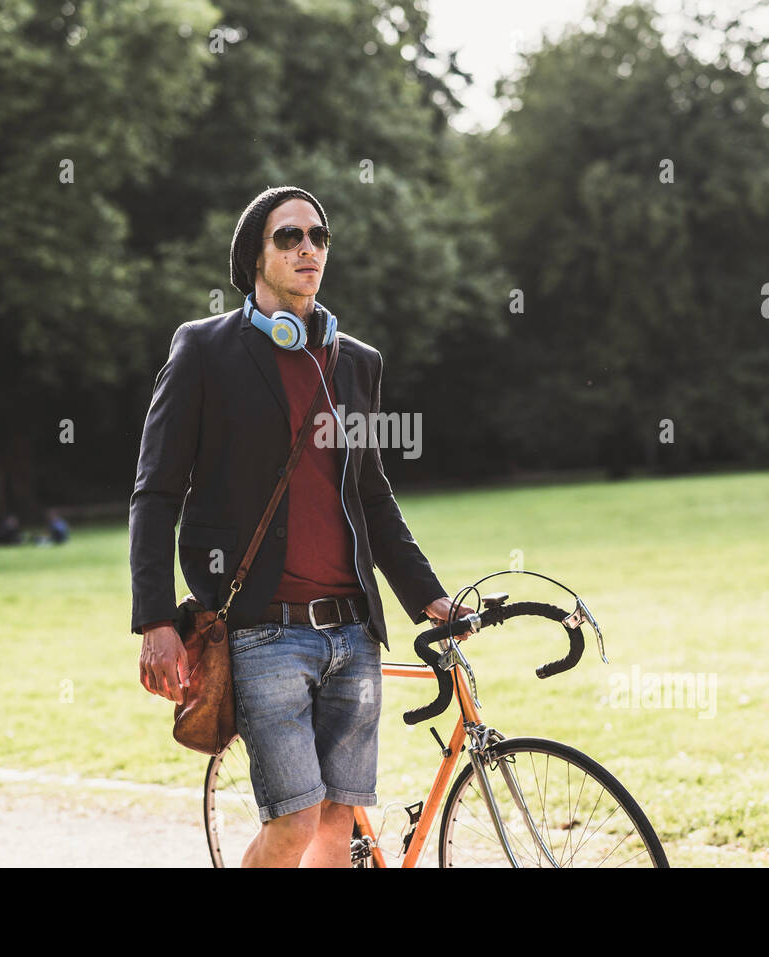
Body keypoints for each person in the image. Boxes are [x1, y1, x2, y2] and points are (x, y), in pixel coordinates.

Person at [129, 185, 473, 868]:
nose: (308, 247)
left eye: (318, 235)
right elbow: (155, 491)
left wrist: (426, 595)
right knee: (293, 823)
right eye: (288, 236)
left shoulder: (358, 364)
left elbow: (371, 495)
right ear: (254, 256)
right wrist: (155, 618)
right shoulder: (204, 351)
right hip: (264, 631)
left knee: (337, 823)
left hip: (352, 627)